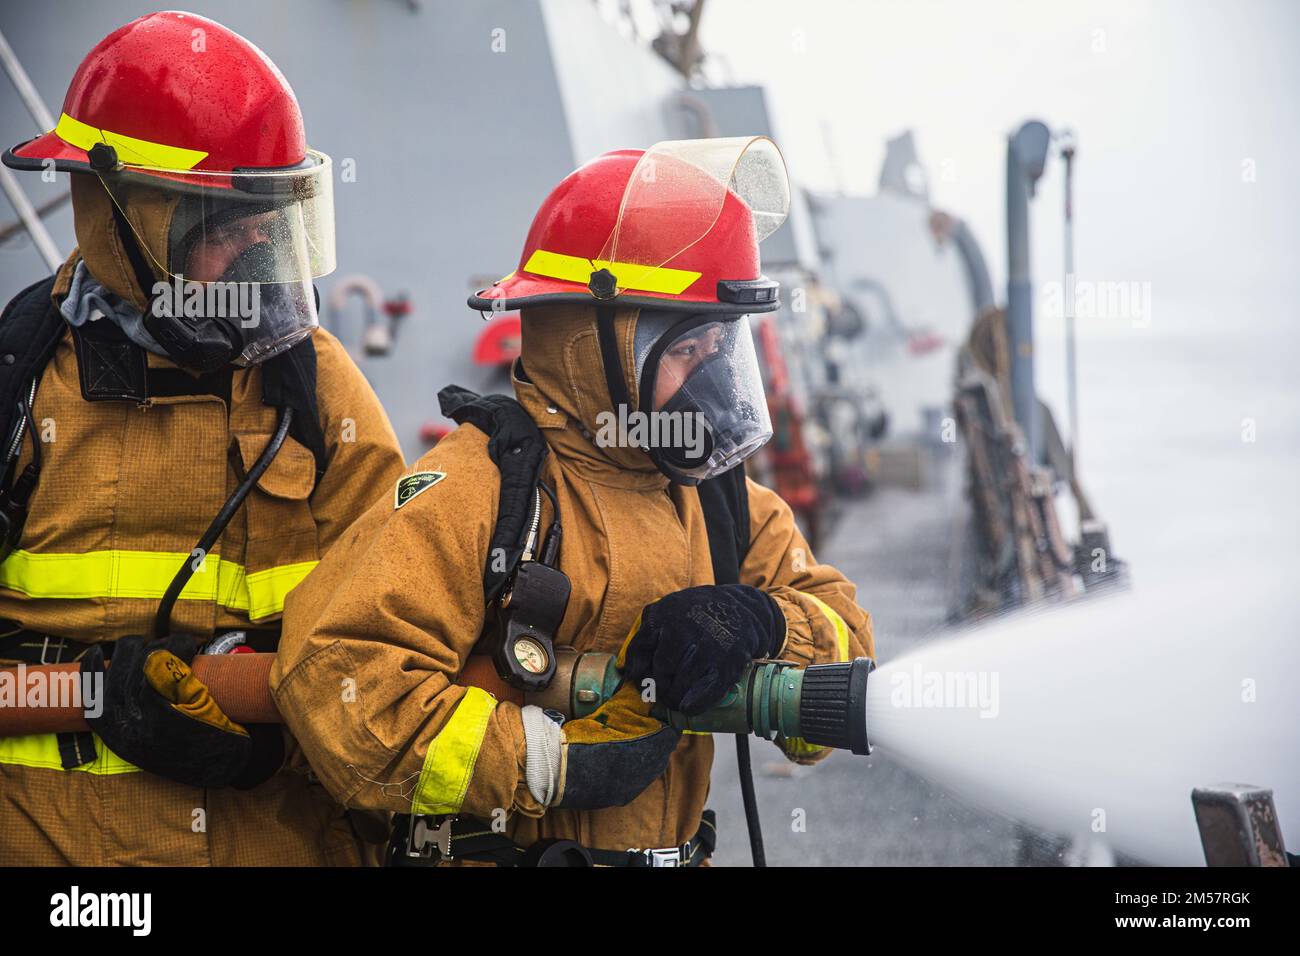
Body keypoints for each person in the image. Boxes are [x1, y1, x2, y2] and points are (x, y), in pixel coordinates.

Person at [272, 138, 873, 865]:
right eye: (688, 353)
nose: (712, 385)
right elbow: (337, 687)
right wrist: (549, 763)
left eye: (721, 350)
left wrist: (768, 622)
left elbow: (845, 672)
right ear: (598, 349)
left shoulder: (724, 507)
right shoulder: (479, 493)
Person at [0, 11, 404, 866]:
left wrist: (283, 730)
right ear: (122, 220)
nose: (254, 260)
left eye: (267, 226)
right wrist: (96, 695)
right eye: (220, 230)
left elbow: (408, 642)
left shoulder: (314, 383)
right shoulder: (19, 380)